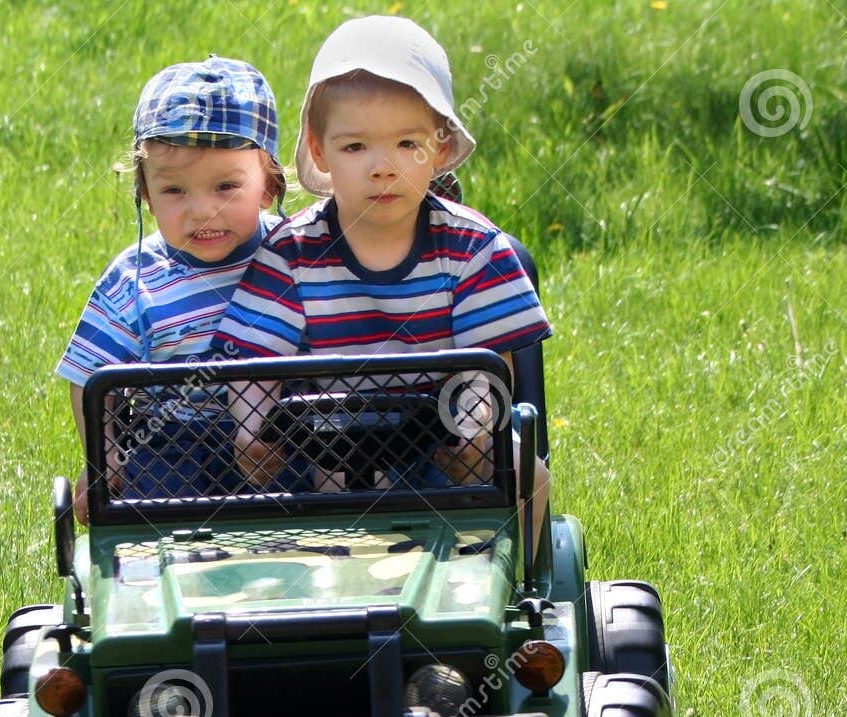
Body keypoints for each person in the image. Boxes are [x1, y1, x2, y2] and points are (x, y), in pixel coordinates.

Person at [213, 15, 552, 540]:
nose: (382, 167)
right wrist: (252, 431)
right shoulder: (293, 253)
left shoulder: (472, 248)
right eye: (355, 147)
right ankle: (326, 606)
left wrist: (475, 433)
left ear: (439, 149)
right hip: (328, 442)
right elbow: (256, 362)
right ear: (320, 151)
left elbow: (489, 369)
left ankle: (521, 596)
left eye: (407, 145)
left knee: (526, 471)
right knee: (297, 497)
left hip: (442, 439)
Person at [56, 56, 286, 522]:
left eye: (225, 186)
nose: (202, 211)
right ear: (144, 192)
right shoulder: (135, 279)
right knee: (155, 516)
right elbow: (89, 380)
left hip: (281, 441)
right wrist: (103, 457)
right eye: (175, 191)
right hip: (174, 453)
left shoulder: (292, 256)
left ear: (268, 185)